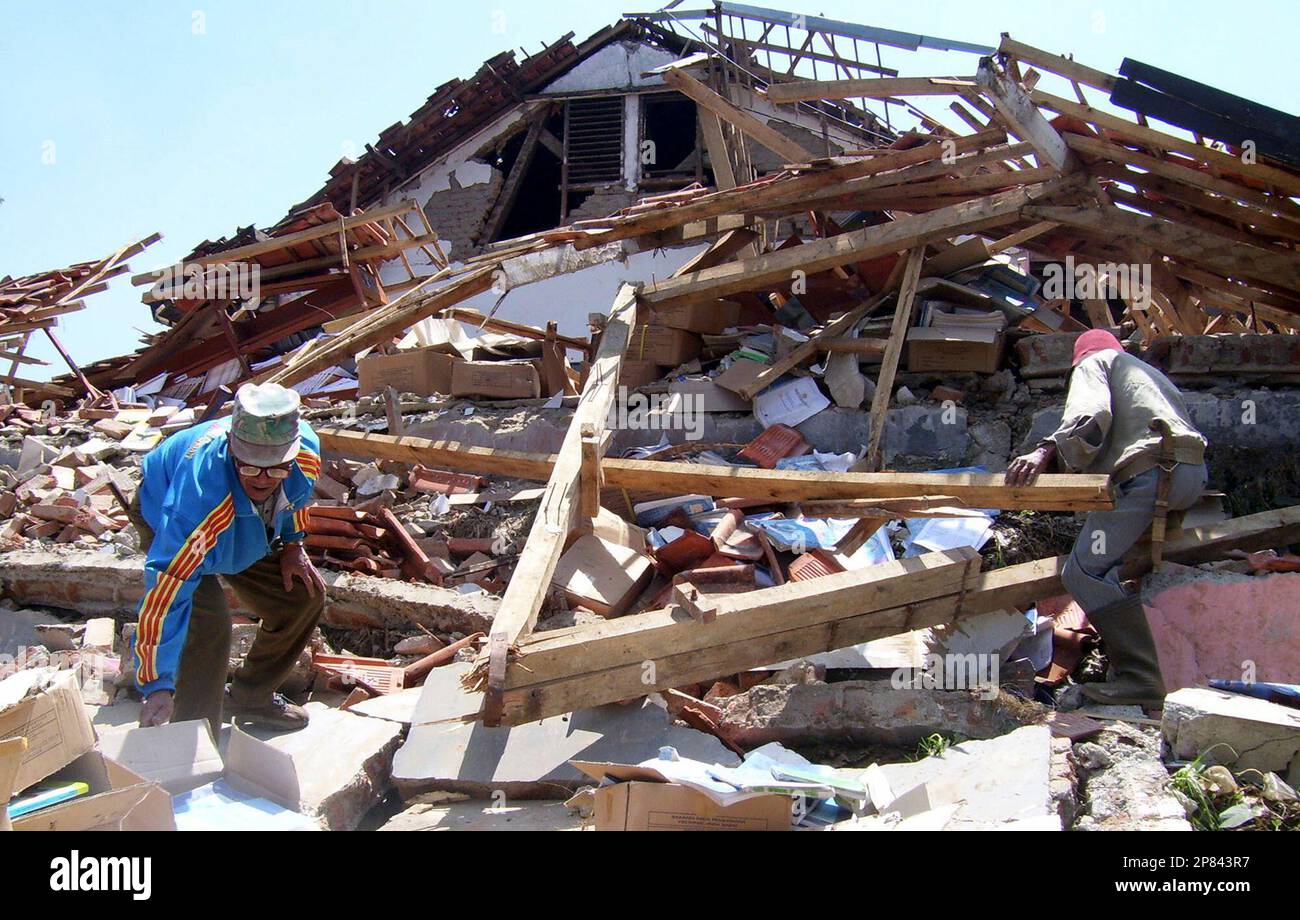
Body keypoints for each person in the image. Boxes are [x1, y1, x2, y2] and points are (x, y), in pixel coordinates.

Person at [1005, 329, 1207, 709]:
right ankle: (1129, 667)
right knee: (1109, 558)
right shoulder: (1147, 374)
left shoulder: (1096, 362)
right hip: (1187, 478)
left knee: (1082, 573)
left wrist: (1045, 450)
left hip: (1152, 475)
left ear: (1077, 360)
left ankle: (1141, 678)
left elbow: (1091, 413)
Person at [129, 382, 325, 736]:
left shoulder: (304, 455)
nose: (263, 479)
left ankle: (251, 697)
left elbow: (297, 496)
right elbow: (166, 593)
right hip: (171, 513)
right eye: (251, 468)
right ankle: (195, 737)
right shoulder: (196, 505)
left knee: (301, 596)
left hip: (246, 525)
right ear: (232, 453)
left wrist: (294, 545)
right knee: (209, 625)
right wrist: (156, 683)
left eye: (276, 469)